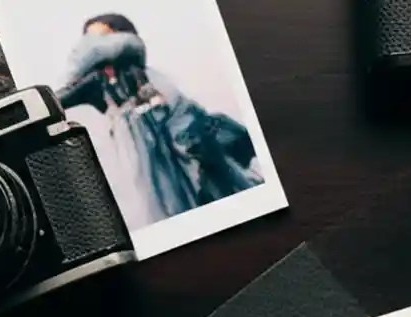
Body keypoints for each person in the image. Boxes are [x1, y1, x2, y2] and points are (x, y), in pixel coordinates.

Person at [56, 13, 263, 228]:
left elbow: (182, 120)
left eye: (103, 36)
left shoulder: (149, 75)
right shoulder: (95, 84)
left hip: (186, 160)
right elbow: (61, 92)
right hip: (143, 172)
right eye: (89, 40)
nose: (94, 45)